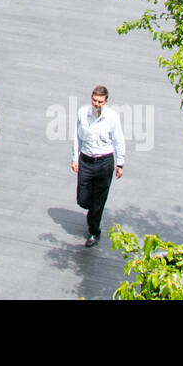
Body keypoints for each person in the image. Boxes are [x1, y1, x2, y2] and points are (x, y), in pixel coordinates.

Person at [70, 86, 125, 248]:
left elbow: (118, 140)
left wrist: (120, 163)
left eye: (100, 102)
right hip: (86, 159)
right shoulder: (83, 113)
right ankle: (92, 210)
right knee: (83, 198)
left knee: (99, 199)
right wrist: (75, 158)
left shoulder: (112, 117)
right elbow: (77, 137)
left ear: (106, 101)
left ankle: (94, 231)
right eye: (94, 101)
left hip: (104, 161)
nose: (97, 104)